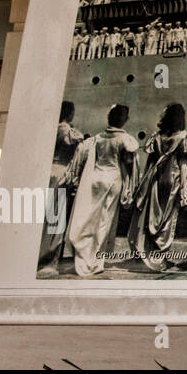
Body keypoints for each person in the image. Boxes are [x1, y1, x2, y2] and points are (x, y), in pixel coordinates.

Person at [64, 104, 139, 277]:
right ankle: (96, 262)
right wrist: (130, 187)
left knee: (89, 218)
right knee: (104, 221)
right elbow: (128, 165)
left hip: (94, 179)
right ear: (124, 119)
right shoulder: (125, 139)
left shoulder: (97, 138)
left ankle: (84, 253)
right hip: (113, 180)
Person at [128, 103, 187, 272]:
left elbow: (150, 163)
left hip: (156, 180)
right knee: (168, 220)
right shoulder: (184, 137)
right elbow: (185, 165)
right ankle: (160, 256)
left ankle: (149, 253)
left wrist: (144, 186)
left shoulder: (156, 137)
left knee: (152, 216)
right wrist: (186, 189)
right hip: (173, 180)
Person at [38, 102, 84, 269]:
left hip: (46, 171)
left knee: (43, 215)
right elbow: (78, 142)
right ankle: (49, 258)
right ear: (69, 113)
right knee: (56, 216)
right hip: (61, 172)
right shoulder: (67, 130)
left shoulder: (49, 128)